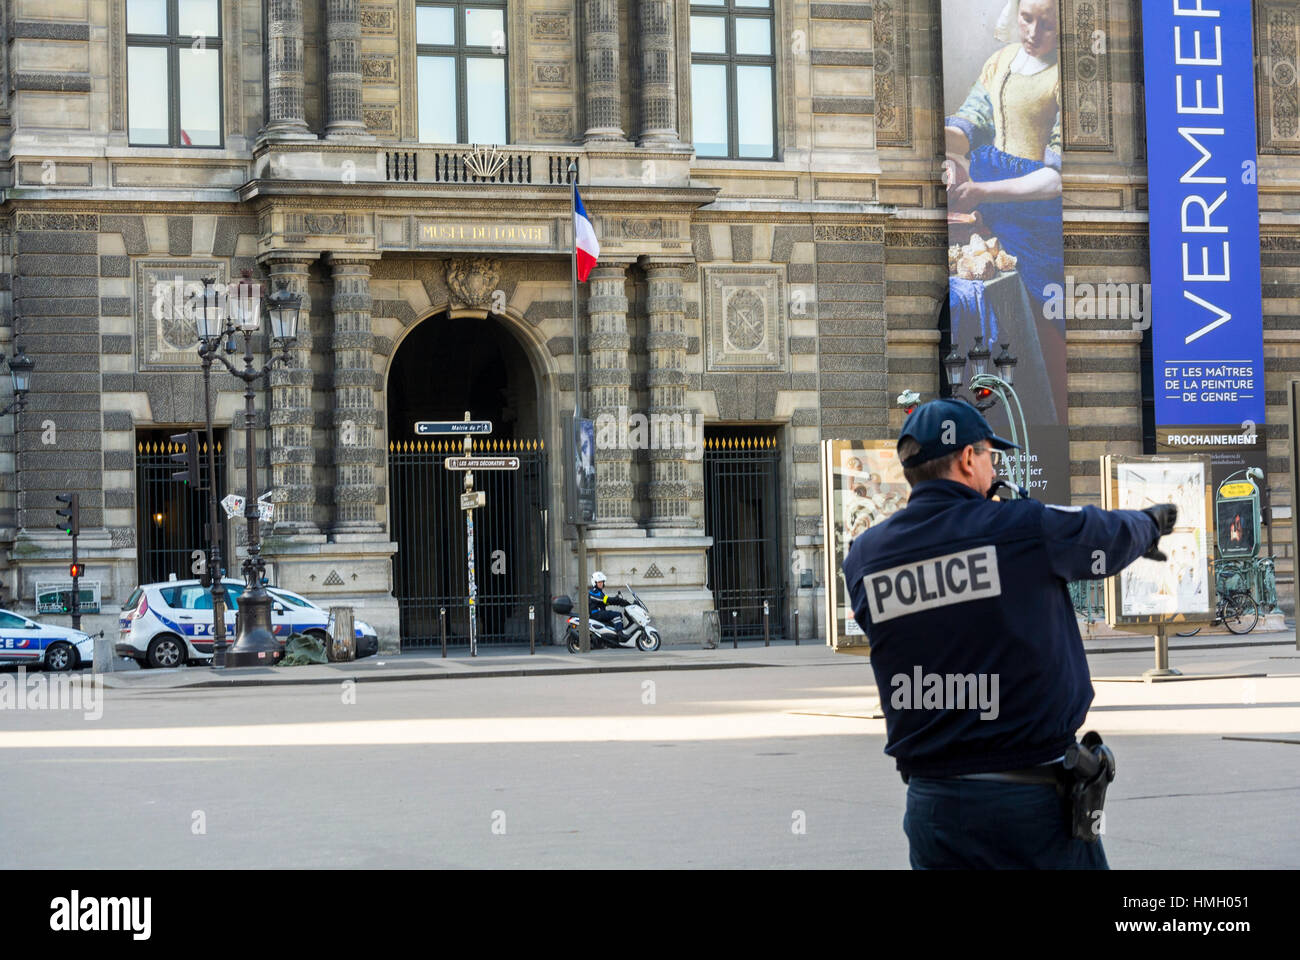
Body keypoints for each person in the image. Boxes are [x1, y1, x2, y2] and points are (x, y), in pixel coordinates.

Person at [842, 399, 1177, 869]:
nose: (993, 465)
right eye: (989, 455)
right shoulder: (1020, 528)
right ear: (966, 459)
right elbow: (1097, 532)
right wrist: (1148, 524)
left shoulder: (865, 556)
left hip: (933, 806)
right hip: (1030, 804)